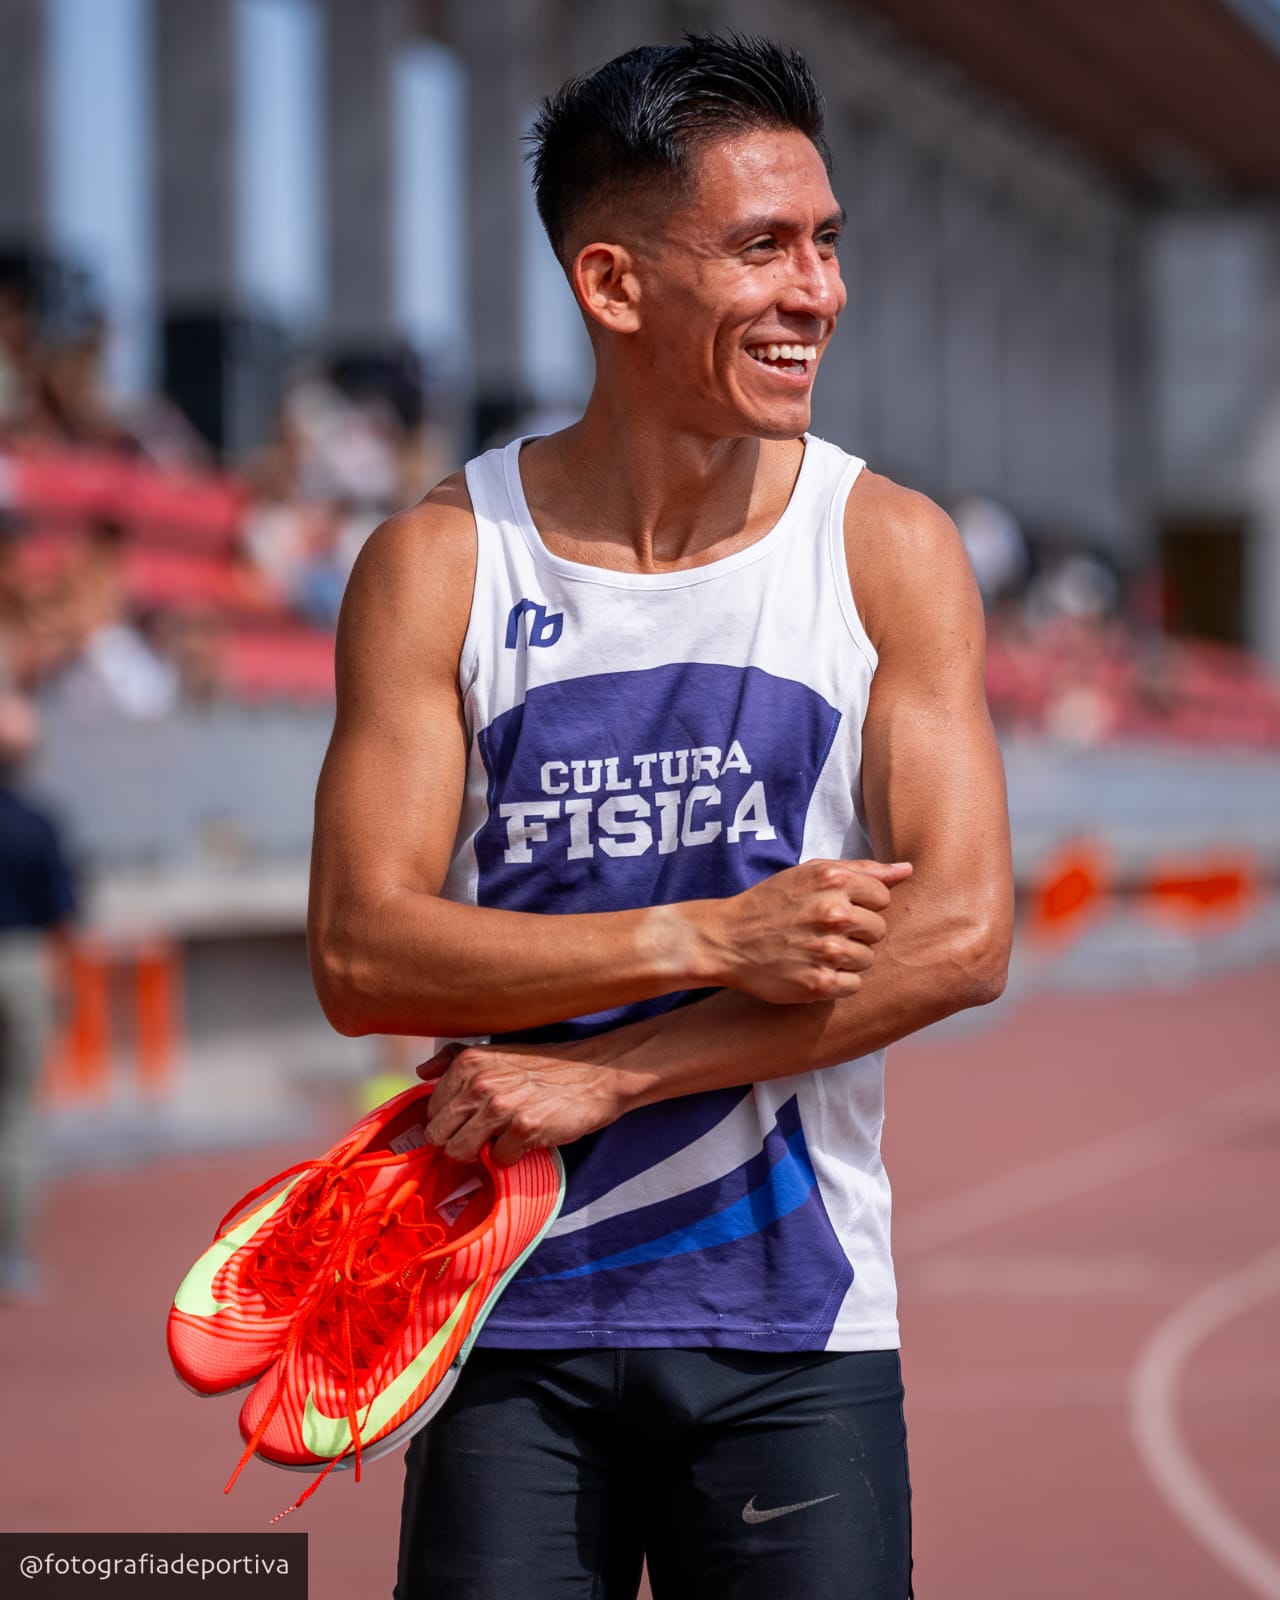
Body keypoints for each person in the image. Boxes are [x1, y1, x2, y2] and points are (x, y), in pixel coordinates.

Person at [308, 33, 1013, 1600]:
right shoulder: (440, 561)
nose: (820, 293)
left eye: (827, 243)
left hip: (796, 1330)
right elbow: (360, 951)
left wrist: (614, 1075)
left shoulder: (886, 547)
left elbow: (962, 937)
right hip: (502, 1318)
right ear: (614, 284)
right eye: (765, 248)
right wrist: (708, 935)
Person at [0, 692, 76, 1302]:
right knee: (19, 1115)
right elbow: (63, 915)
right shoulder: (39, 821)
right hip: (24, 963)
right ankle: (13, 1257)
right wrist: (64, 988)